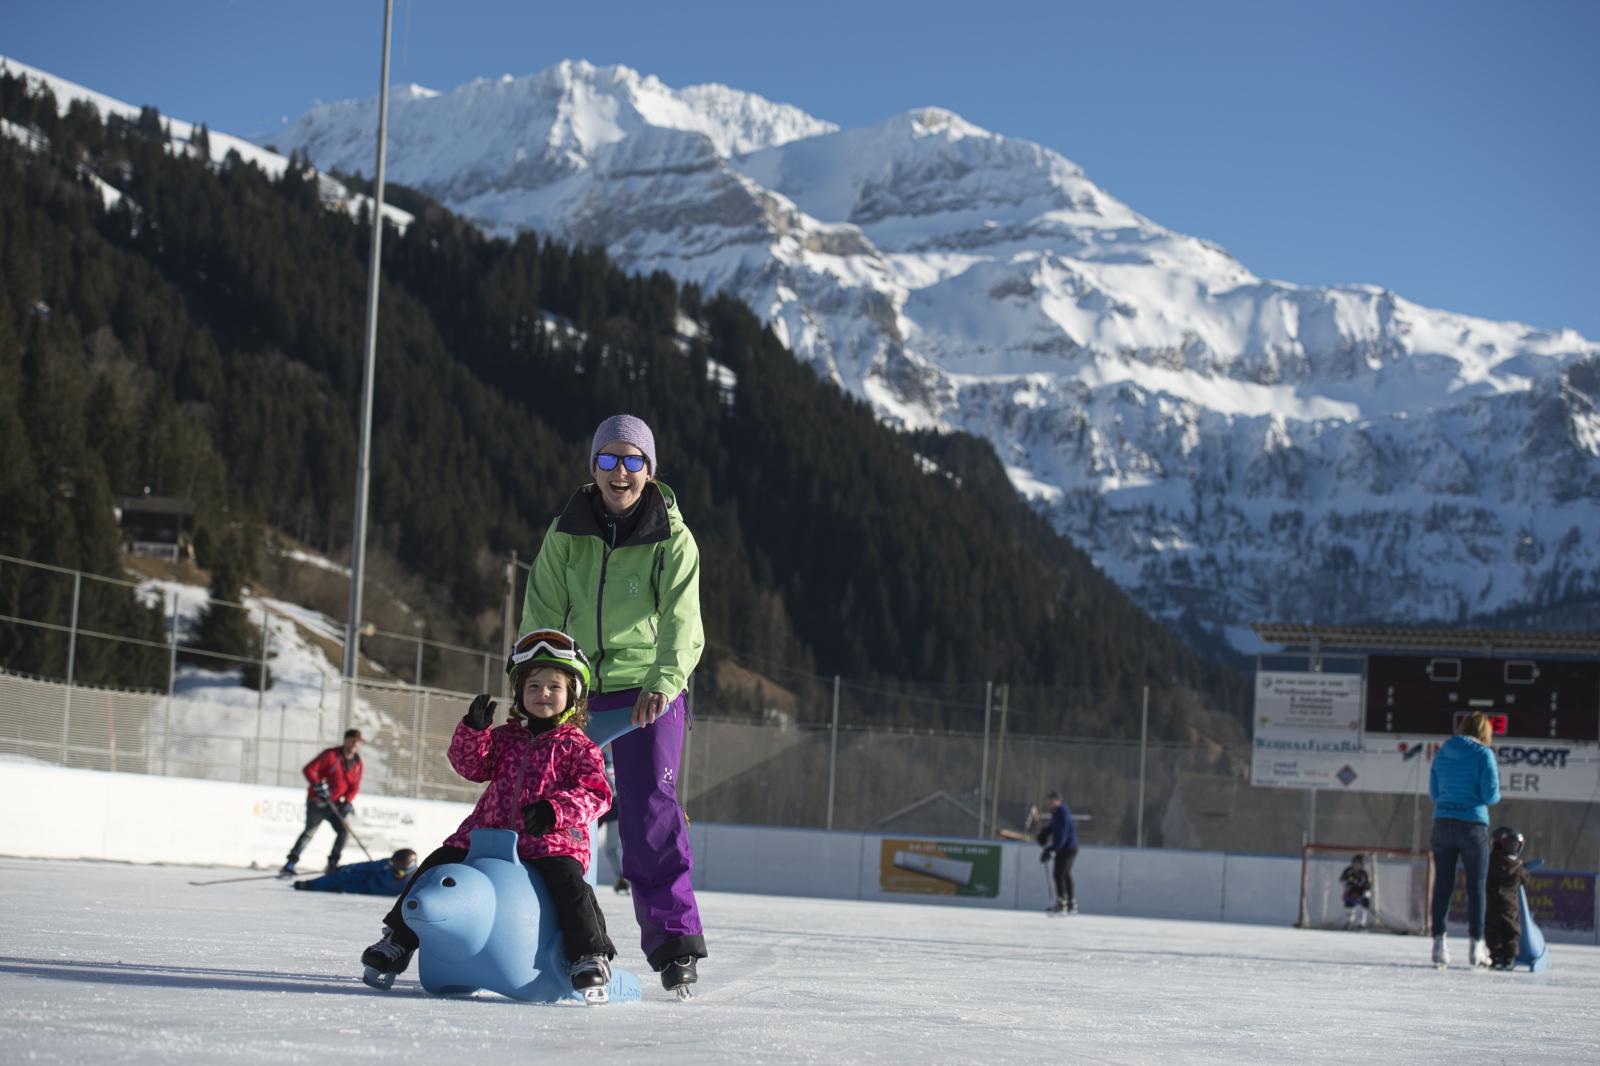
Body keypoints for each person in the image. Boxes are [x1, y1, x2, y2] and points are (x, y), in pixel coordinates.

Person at [520, 413, 706, 995]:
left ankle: (674, 944)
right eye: (608, 460)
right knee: (550, 809)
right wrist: (538, 679)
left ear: (650, 470)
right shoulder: (566, 531)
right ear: (593, 466)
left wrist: (663, 682)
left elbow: (682, 622)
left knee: (649, 810)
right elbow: (542, 611)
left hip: (649, 690)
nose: (619, 473)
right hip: (579, 690)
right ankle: (558, 936)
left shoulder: (671, 537)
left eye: (631, 461)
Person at [360, 631, 617, 1001]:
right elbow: (471, 767)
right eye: (533, 686)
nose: (543, 694)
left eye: (554, 687)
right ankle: (397, 941)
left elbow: (597, 793)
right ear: (518, 692)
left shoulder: (578, 747)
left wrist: (554, 810)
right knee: (433, 868)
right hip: (484, 836)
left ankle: (589, 956)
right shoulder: (504, 737)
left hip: (549, 840)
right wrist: (473, 730)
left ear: (572, 695)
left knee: (569, 886)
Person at [1428, 710, 1501, 969]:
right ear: (1485, 731)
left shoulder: (1442, 751)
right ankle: (1476, 946)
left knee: (1443, 885)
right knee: (1476, 886)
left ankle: (1439, 945)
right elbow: (1490, 795)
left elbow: (1434, 792)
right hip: (1473, 825)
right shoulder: (1484, 754)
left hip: (1442, 823)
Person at [281, 728, 364, 876]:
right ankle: (290, 863)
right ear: (345, 740)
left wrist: (347, 801)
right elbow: (309, 769)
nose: (354, 745)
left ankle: (332, 863)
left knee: (343, 832)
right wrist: (318, 785)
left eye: (357, 743)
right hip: (318, 802)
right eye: (352, 741)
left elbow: (355, 786)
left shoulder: (357, 763)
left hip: (336, 804)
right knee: (309, 832)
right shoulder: (331, 755)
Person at [1485, 826, 1530, 970]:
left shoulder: (1488, 863)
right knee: (1511, 934)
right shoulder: (1518, 867)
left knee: (1493, 933)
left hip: (1491, 906)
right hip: (1510, 908)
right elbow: (1526, 880)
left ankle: (1496, 957)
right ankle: (1509, 958)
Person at [293, 850, 417, 895]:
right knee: (341, 876)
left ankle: (322, 887)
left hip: (369, 889)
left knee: (343, 887)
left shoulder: (414, 879)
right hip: (369, 878)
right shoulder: (387, 865)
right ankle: (310, 885)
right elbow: (367, 866)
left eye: (395, 862)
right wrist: (346, 867)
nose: (392, 863)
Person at [1038, 791, 1080, 915]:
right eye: (1048, 802)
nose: (1049, 804)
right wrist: (1046, 831)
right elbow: (1054, 827)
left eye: (1051, 801)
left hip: (1067, 849)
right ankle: (1070, 903)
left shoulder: (1063, 814)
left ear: (1058, 801)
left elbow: (1062, 836)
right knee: (1065, 874)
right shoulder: (1057, 813)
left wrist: (1051, 850)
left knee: (1059, 874)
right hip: (1066, 848)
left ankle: (1062, 903)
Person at [598, 748, 628, 895]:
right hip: (618, 813)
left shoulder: (603, 770)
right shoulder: (614, 769)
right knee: (612, 849)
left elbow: (610, 793)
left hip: (613, 813)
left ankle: (623, 878)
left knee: (611, 849)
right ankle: (623, 878)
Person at [1339, 854, 1373, 930]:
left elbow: (1368, 885)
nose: (1356, 865)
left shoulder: (1364, 873)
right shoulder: (1348, 871)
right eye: (1355, 863)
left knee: (1365, 902)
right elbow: (1342, 880)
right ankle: (1349, 921)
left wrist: (1365, 893)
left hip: (1361, 892)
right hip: (1350, 891)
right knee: (1348, 905)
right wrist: (1347, 886)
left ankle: (1362, 923)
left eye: (1359, 863)